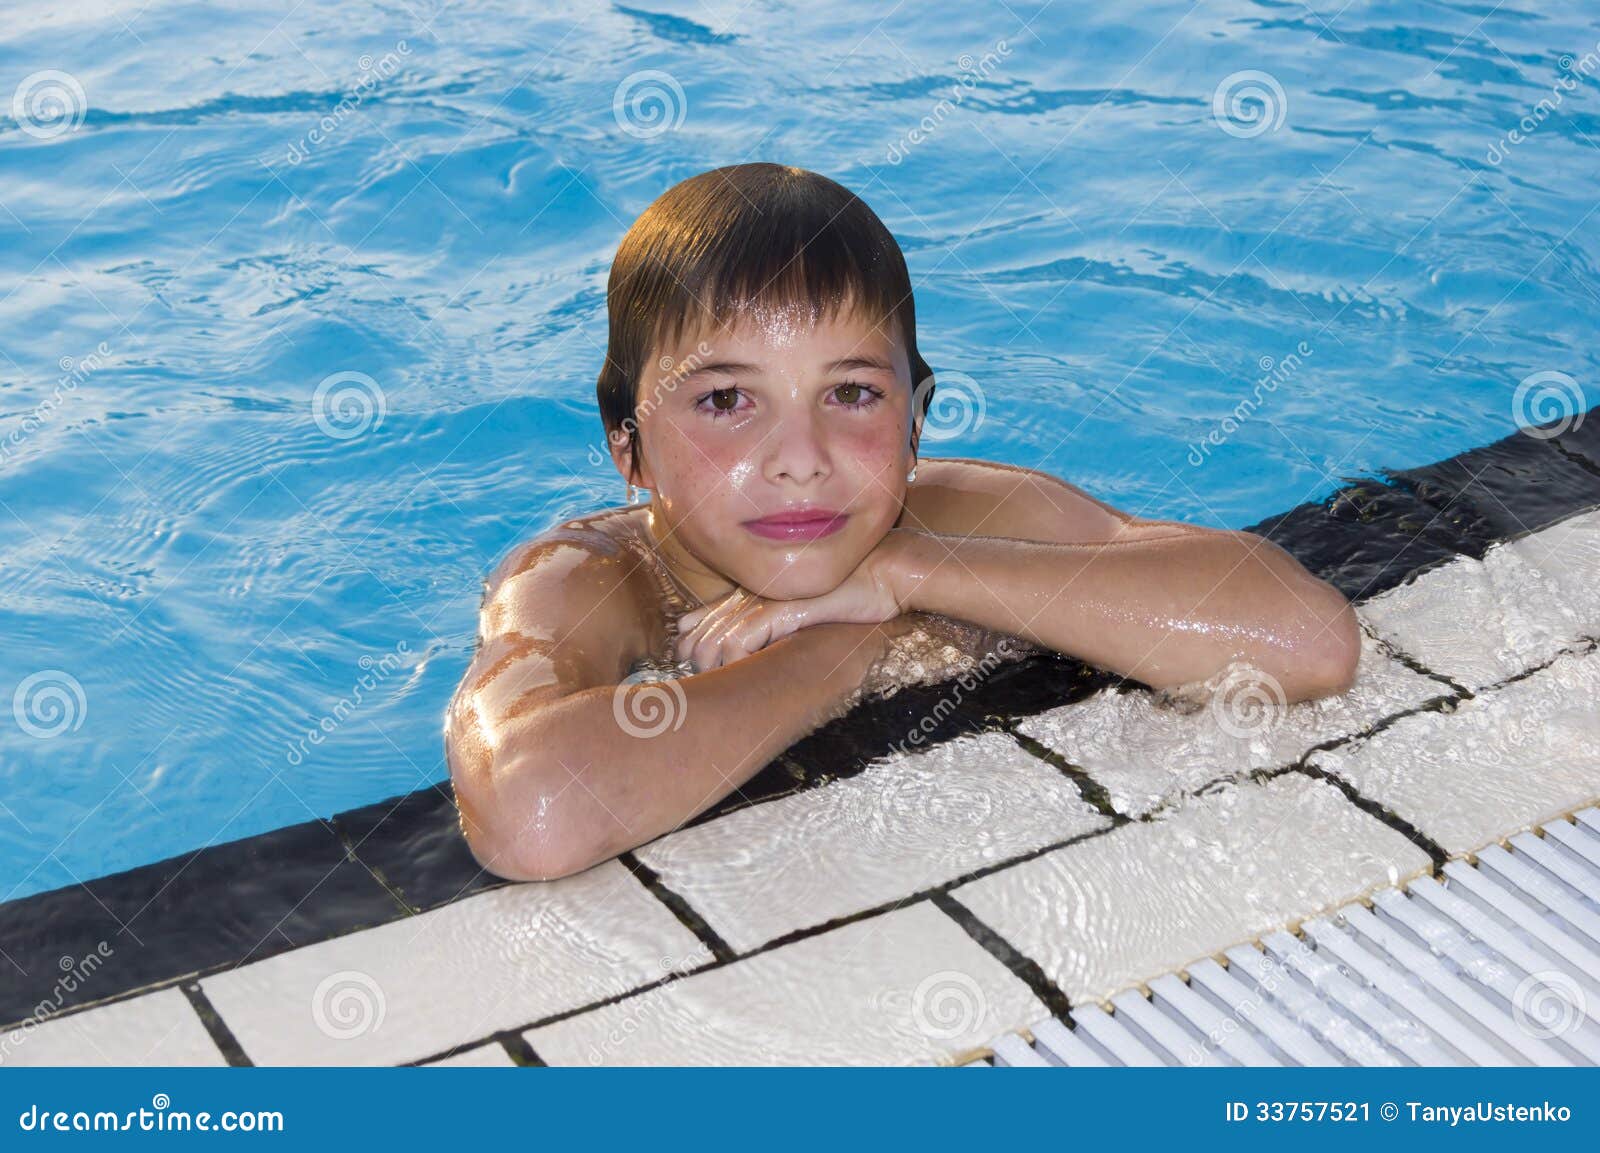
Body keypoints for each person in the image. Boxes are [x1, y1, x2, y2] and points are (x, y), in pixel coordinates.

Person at [444, 162, 1359, 882]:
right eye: (726, 399)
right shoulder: (588, 582)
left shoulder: (950, 517)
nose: (799, 454)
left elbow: (1307, 637)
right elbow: (535, 814)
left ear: (916, 423)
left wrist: (906, 574)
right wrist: (845, 646)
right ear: (628, 446)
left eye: (851, 393)